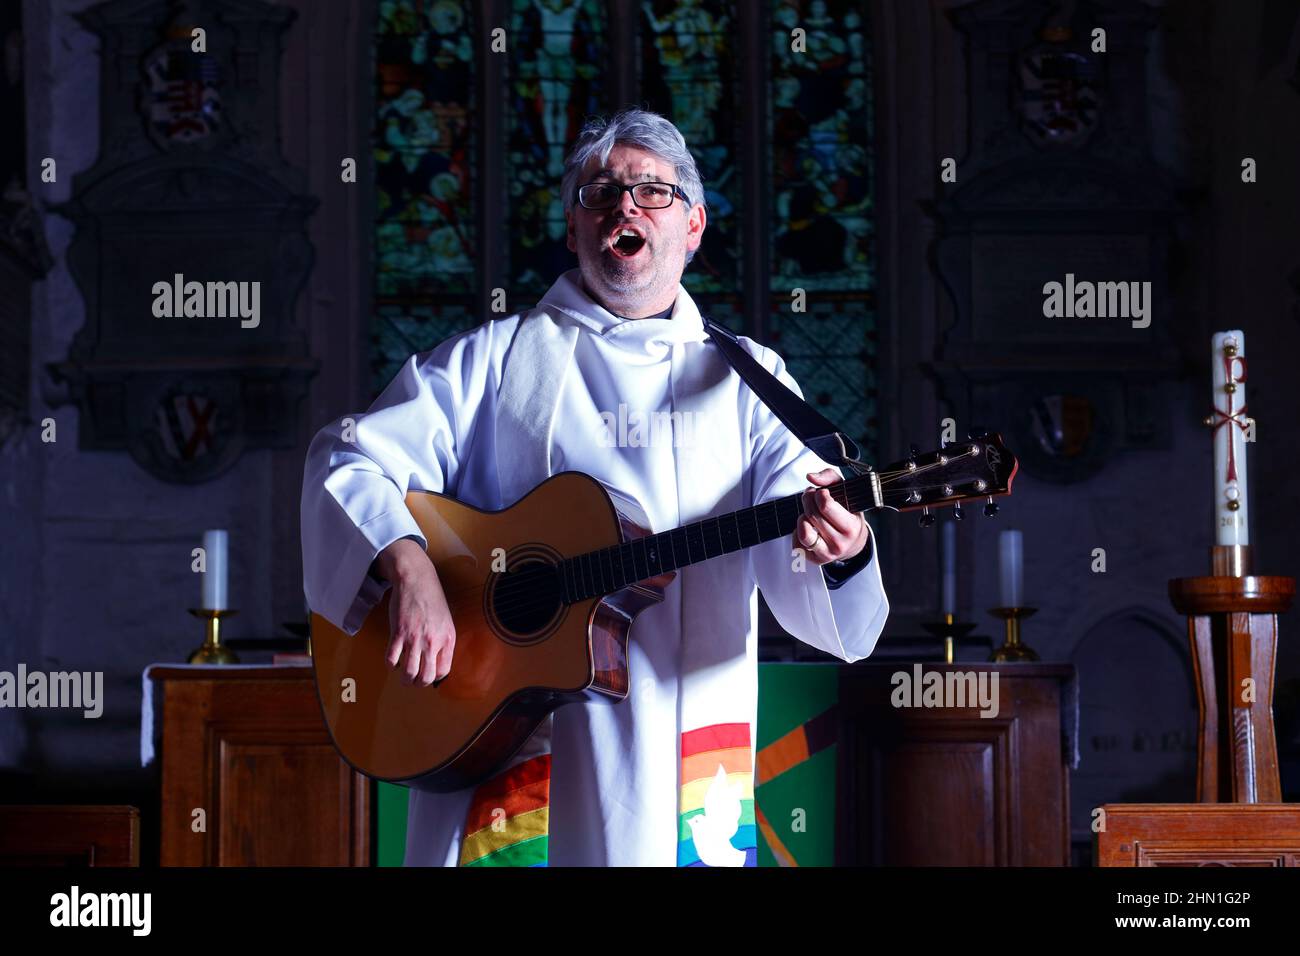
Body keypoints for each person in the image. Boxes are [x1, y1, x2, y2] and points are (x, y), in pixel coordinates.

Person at [300, 107, 889, 867]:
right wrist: (408, 565)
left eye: (653, 192)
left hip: (681, 729)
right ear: (574, 229)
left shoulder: (750, 383)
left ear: (695, 225)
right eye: (600, 193)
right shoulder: (496, 360)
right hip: (505, 727)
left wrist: (841, 548)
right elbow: (345, 459)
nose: (625, 207)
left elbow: (808, 542)